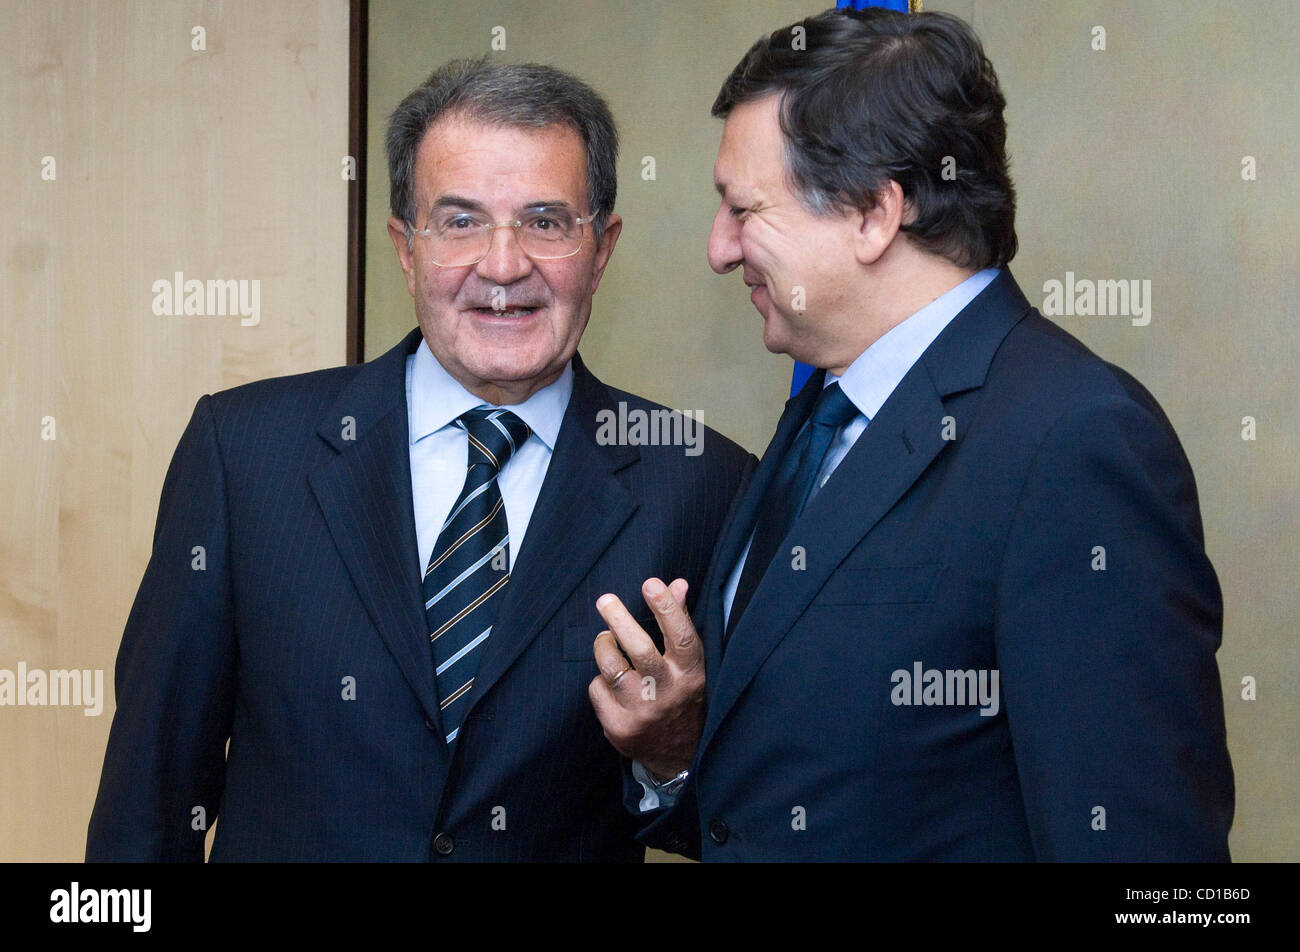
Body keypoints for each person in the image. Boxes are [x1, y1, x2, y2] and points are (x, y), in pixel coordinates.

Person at [588, 7, 1233, 861]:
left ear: (872, 214)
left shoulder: (1076, 442)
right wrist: (674, 753)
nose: (718, 248)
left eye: (744, 210)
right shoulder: (824, 410)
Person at [85, 59, 752, 862]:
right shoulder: (245, 453)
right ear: (405, 247)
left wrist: (672, 754)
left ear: (602, 247)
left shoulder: (704, 483)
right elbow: (147, 803)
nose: (503, 267)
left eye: (545, 222)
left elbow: (741, 825)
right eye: (460, 222)